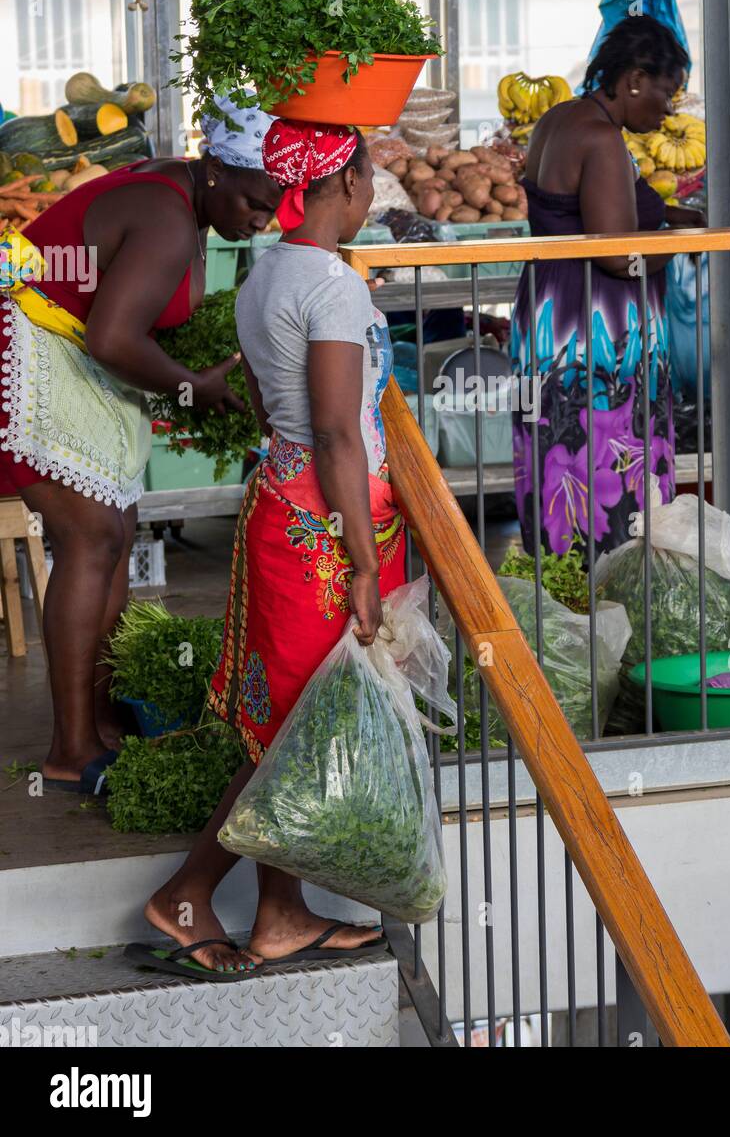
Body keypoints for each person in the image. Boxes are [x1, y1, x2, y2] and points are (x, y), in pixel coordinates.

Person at [137, 118, 406, 977]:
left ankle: (283, 914)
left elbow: (267, 405)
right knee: (301, 727)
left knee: (294, 721)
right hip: (323, 526)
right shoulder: (330, 286)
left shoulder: (263, 273)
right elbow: (336, 432)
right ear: (349, 184)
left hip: (280, 504)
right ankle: (188, 889)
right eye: (369, 180)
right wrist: (363, 564)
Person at [0, 96, 282, 794]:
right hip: (33, 356)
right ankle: (70, 747)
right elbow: (114, 339)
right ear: (215, 169)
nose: (262, 219)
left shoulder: (185, 196)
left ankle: (99, 722)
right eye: (255, 200)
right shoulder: (162, 212)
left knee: (115, 534)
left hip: (65, 353)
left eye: (275, 206)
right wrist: (195, 387)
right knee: (92, 538)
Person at [510, 15, 704, 561]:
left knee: (556, 442)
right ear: (635, 78)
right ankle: (612, 588)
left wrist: (669, 215)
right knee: (605, 449)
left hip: (548, 313)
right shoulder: (600, 138)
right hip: (594, 329)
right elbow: (619, 256)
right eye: (667, 93)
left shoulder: (560, 119)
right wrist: (672, 248)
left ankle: (565, 588)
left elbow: (582, 212)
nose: (668, 110)